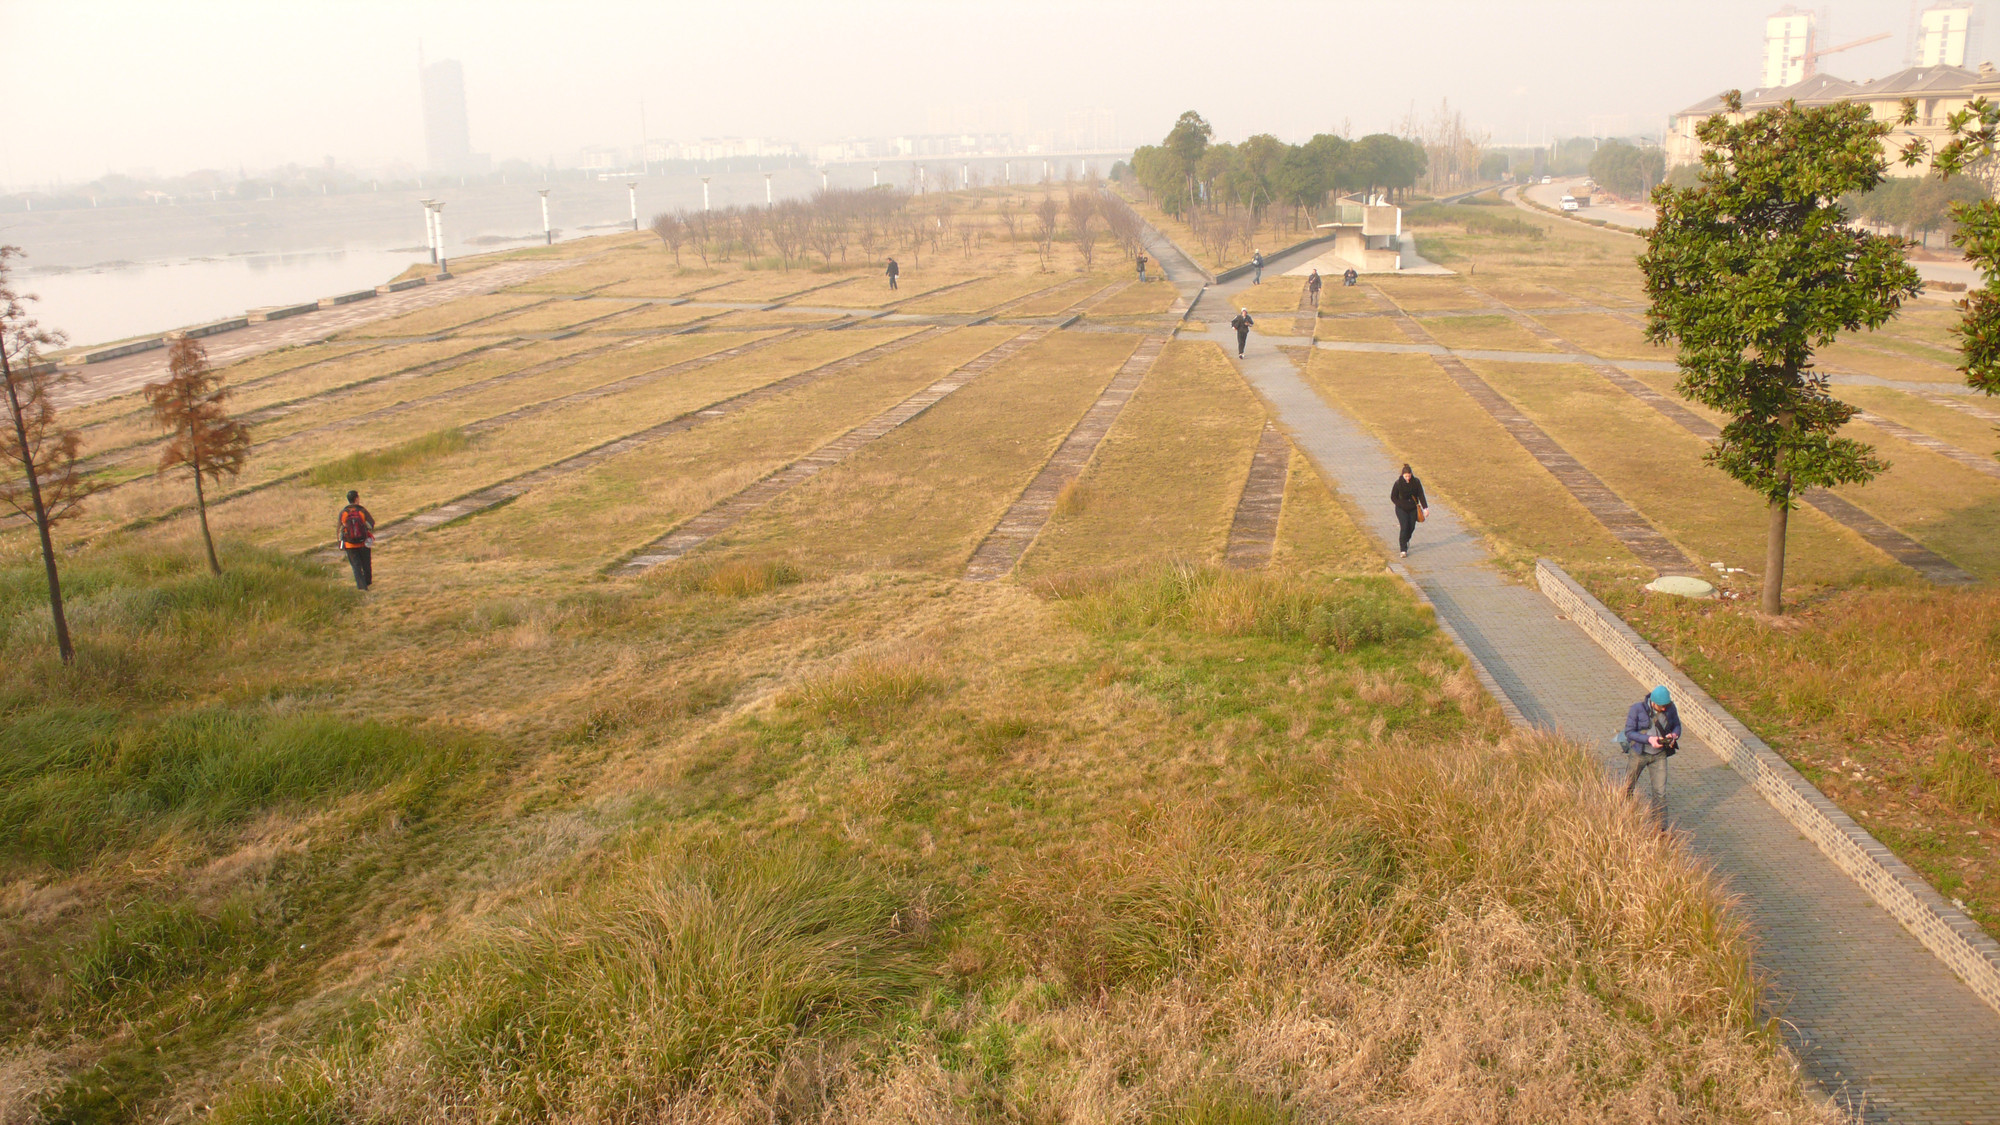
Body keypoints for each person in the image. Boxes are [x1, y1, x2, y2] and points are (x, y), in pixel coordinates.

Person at [1621, 685, 1682, 806]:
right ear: (1653, 702)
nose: (1664, 709)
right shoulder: (1637, 709)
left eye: (1666, 706)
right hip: (1639, 754)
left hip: (1659, 755)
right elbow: (1629, 732)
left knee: (1660, 793)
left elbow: (1677, 725)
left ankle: (1660, 824)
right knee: (1627, 787)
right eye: (1661, 706)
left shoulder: (1671, 708)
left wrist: (1674, 735)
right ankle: (1623, 814)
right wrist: (1649, 739)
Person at [337, 490, 375, 590]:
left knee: (356, 566)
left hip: (350, 545)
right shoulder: (362, 510)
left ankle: (362, 588)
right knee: (366, 564)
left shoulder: (343, 512)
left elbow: (339, 529)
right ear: (357, 498)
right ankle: (367, 582)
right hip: (363, 543)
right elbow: (371, 525)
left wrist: (340, 542)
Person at [1389, 464, 1427, 557]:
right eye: (1406, 476)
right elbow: (1393, 497)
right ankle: (1403, 549)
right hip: (1401, 509)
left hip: (1413, 508)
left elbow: (1421, 494)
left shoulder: (1416, 482)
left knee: (1412, 527)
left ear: (1411, 474)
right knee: (1404, 526)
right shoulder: (1398, 483)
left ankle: (1406, 540)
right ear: (1402, 475)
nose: (1407, 478)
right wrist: (1400, 504)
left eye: (1409, 476)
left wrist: (1425, 508)